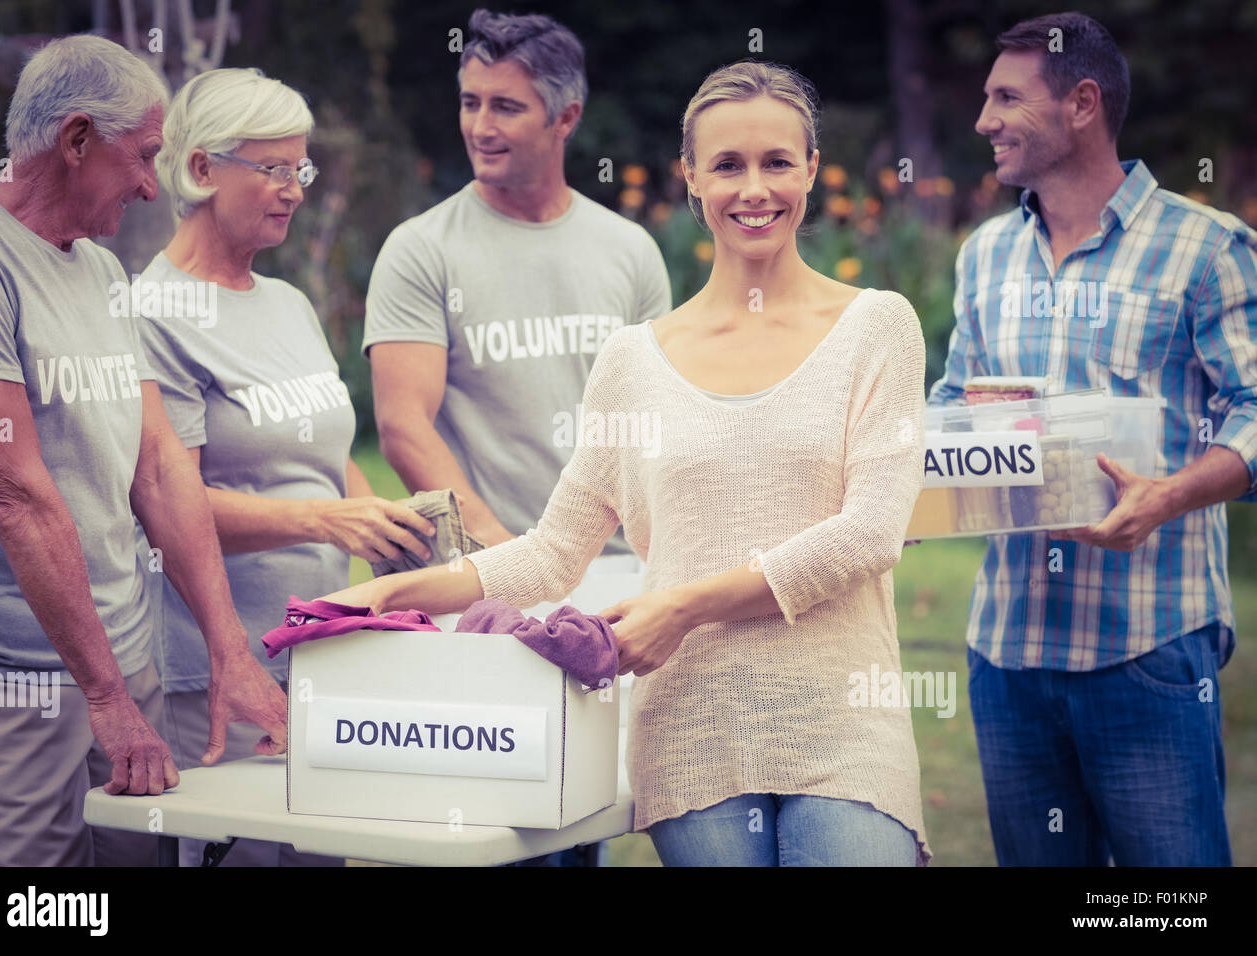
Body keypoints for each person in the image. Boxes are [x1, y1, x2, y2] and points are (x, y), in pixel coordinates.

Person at [326, 61, 931, 867]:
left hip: (843, 724)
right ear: (691, 178)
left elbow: (869, 536)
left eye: (777, 162)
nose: (755, 189)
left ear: (813, 171)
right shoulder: (634, 360)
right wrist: (392, 591)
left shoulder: (876, 327)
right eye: (727, 165)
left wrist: (682, 606)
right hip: (691, 729)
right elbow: (552, 553)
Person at [927, 12, 1257, 866]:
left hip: (1144, 645)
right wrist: (918, 468)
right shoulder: (986, 255)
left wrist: (1170, 494)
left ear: (1081, 103)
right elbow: (956, 401)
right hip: (1010, 651)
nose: (983, 121)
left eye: (1006, 97)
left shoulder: (1207, 247)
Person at [0, 35, 286, 867]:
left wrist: (226, 650)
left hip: (125, 666)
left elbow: (161, 466)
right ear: (74, 141)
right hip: (16, 682)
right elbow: (16, 496)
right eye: (142, 157)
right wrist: (105, 698)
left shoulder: (103, 271)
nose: (151, 185)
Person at [136, 67, 437, 867]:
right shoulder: (152, 315)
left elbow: (330, 461)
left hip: (316, 658)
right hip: (216, 672)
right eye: (272, 168)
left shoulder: (289, 304)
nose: (294, 189)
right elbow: (166, 504)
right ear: (202, 169)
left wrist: (388, 542)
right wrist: (323, 520)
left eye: (299, 168)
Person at [363, 8, 671, 555]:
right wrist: (512, 560)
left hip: (623, 569)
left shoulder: (630, 251)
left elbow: (652, 424)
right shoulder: (420, 250)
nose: (481, 128)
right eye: (470, 102)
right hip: (491, 571)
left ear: (565, 118)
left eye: (506, 107)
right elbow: (404, 429)